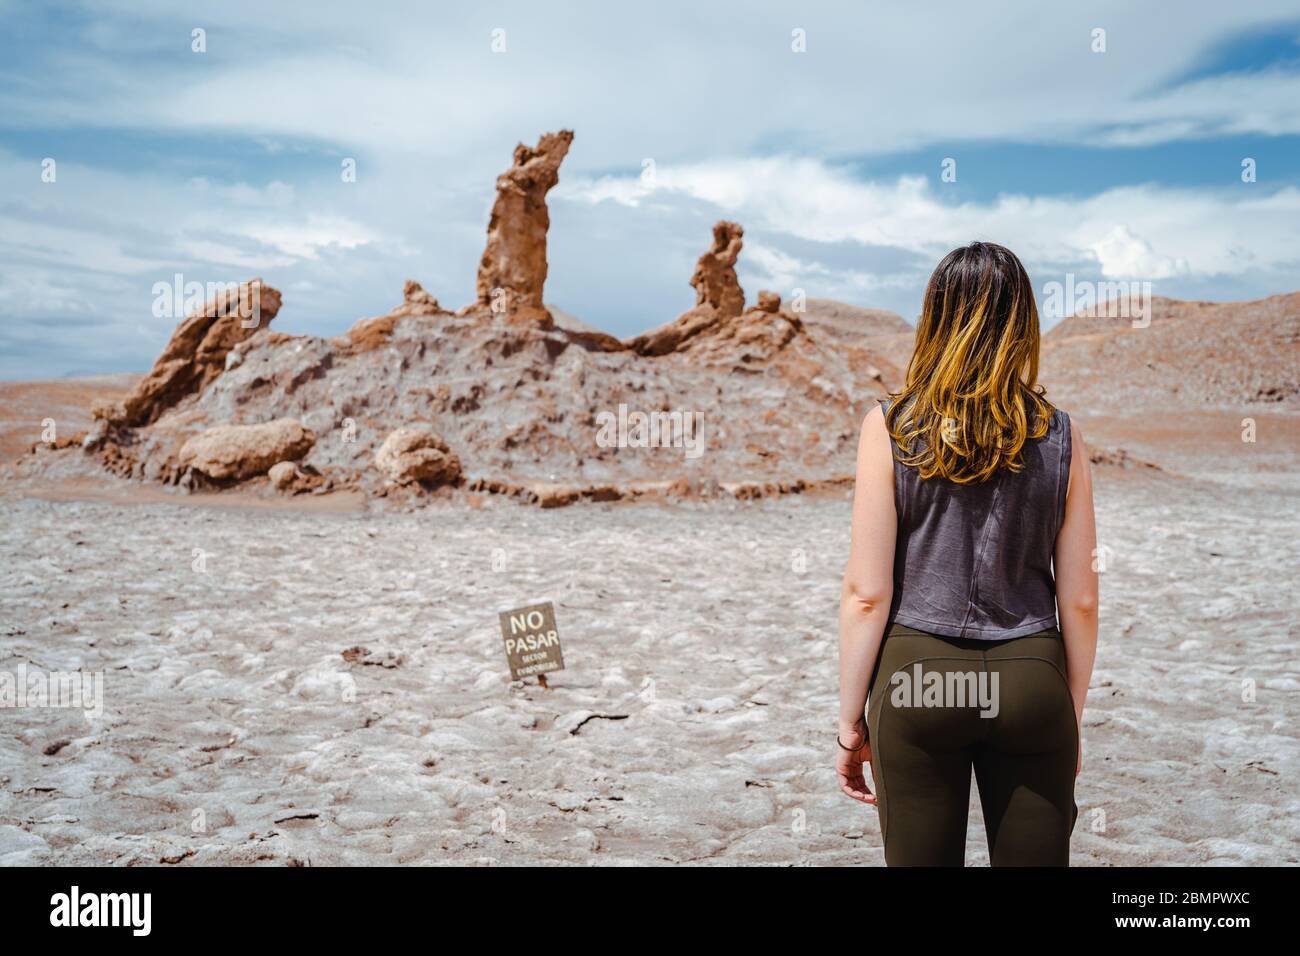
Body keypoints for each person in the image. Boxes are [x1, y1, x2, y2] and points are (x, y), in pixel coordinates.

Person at [834, 241, 1099, 867]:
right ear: (1023, 326)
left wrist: (850, 724)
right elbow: (1081, 600)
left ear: (934, 319)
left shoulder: (891, 425)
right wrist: (1067, 717)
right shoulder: (1060, 434)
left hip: (917, 679)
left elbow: (867, 595)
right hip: (1032, 676)